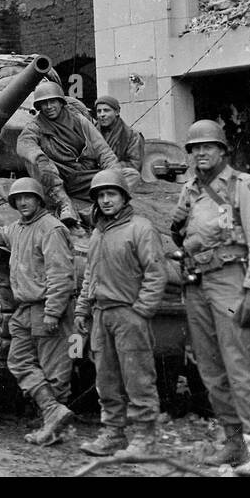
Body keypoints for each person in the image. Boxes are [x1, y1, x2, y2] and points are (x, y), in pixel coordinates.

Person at [172, 119, 250, 476]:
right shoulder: (189, 191)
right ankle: (233, 442)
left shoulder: (243, 186)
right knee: (210, 368)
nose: (200, 152)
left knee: (242, 368)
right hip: (197, 282)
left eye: (207, 147)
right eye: (194, 148)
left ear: (222, 150)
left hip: (232, 281)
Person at [0, 177, 76, 446]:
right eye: (18, 199)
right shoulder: (19, 227)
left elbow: (61, 275)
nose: (23, 202)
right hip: (26, 309)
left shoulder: (51, 229)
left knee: (54, 370)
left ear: (39, 200)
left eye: (28, 197)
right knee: (18, 360)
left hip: (47, 307)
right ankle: (51, 413)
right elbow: (1, 233)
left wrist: (52, 312)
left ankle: (53, 422)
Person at [75, 169, 167, 458]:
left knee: (138, 378)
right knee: (106, 380)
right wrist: (82, 308)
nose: (105, 200)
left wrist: (142, 310)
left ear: (124, 197)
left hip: (129, 314)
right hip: (101, 315)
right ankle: (113, 434)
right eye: (100, 195)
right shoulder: (97, 233)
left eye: (111, 194)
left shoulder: (140, 228)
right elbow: (90, 273)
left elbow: (156, 272)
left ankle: (145, 438)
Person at [18, 80, 119, 227]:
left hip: (83, 175)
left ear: (61, 102)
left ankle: (91, 213)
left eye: (52, 101)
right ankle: (65, 204)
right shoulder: (36, 126)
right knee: (42, 166)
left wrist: (114, 175)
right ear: (39, 107)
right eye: (44, 103)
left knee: (118, 179)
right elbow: (24, 143)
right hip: (57, 176)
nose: (48, 107)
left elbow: (102, 149)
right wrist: (39, 157)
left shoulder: (79, 120)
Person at [94, 95, 145, 185]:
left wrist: (110, 167)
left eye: (106, 110)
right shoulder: (91, 131)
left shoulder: (132, 135)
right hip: (94, 174)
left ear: (117, 112)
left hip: (118, 176)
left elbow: (134, 164)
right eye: (99, 111)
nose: (102, 115)